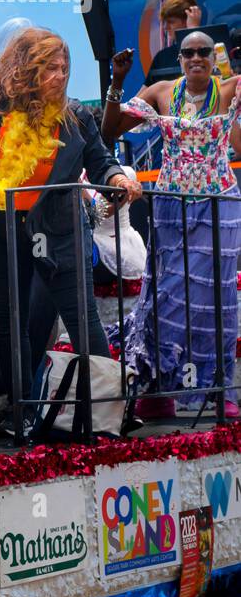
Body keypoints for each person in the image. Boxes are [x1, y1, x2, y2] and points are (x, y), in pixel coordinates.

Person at [0, 30, 141, 415]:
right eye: (49, 67)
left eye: (64, 68)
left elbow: (101, 161)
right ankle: (21, 411)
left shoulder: (76, 116)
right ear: (24, 69)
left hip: (60, 229)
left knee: (83, 317)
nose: (59, 75)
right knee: (10, 321)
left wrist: (119, 179)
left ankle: (108, 411)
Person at [101, 31, 241, 418]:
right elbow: (110, 131)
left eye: (203, 51)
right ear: (179, 58)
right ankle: (157, 388)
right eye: (188, 52)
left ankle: (220, 389)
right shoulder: (161, 91)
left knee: (216, 297)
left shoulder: (230, 88)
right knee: (164, 295)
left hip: (219, 203)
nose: (196, 57)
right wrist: (117, 81)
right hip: (171, 207)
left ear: (213, 56)